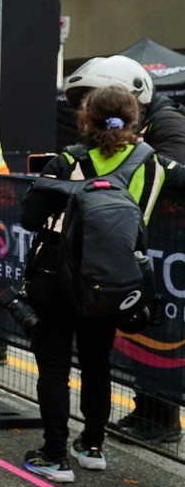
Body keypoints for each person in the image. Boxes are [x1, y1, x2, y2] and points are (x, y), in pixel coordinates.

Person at [19, 85, 185, 482]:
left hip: (59, 279)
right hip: (117, 281)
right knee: (97, 363)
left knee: (55, 366)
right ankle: (92, 447)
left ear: (85, 119)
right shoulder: (155, 164)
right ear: (136, 121)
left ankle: (54, 455)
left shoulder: (67, 161)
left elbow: (29, 217)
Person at [63, 55, 185, 445]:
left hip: (164, 251)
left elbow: (174, 173)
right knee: (137, 336)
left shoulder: (167, 124)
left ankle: (160, 417)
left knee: (163, 335)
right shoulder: (142, 127)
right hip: (135, 250)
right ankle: (146, 409)